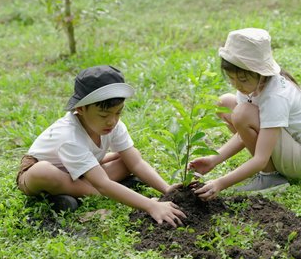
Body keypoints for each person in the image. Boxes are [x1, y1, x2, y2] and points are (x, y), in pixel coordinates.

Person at [17, 65, 186, 227]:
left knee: (127, 158)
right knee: (44, 172)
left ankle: (70, 197)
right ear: (81, 109)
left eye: (118, 112)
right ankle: (88, 193)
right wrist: (150, 205)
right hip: (47, 173)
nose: (112, 121)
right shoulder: (69, 136)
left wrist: (167, 189)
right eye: (103, 115)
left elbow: (136, 163)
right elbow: (103, 183)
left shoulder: (113, 125)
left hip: (85, 173)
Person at [190, 28, 301, 200]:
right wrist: (213, 160)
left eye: (243, 79)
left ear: (260, 73)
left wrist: (220, 183)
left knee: (242, 113)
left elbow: (259, 156)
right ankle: (270, 170)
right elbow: (242, 132)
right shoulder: (252, 86)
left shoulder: (276, 96)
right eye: (231, 78)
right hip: (283, 145)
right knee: (226, 103)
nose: (237, 85)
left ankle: (270, 178)